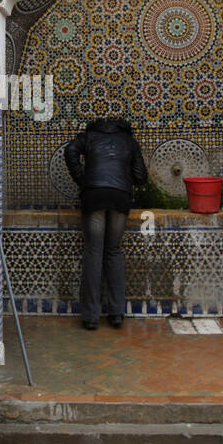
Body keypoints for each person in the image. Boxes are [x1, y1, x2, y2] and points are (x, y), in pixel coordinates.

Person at [64, 118, 147, 330]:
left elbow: (70, 151)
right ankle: (117, 313)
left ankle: (91, 316)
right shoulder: (129, 140)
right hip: (120, 196)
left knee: (93, 251)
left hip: (94, 194)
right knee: (113, 250)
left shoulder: (89, 136)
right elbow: (140, 176)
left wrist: (82, 179)